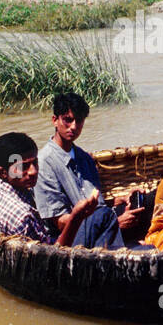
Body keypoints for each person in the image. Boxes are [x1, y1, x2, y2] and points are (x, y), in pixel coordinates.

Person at [33, 91, 147, 249]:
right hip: (70, 237)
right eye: (68, 120)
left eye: (78, 121)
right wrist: (115, 222)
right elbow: (59, 222)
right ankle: (124, 245)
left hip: (99, 222)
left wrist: (122, 199)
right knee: (104, 216)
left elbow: (94, 203)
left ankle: (131, 242)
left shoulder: (84, 158)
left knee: (146, 201)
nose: (73, 126)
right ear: (55, 120)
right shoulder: (44, 162)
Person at [0, 132, 98, 243]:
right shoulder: (23, 217)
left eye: (35, 162)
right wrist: (75, 218)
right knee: (102, 216)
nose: (33, 171)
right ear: (2, 172)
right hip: (46, 258)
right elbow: (52, 257)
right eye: (23, 166)